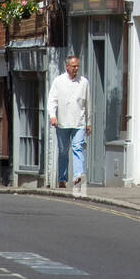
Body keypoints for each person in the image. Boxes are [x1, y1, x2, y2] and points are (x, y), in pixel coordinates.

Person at [47, 54, 91, 194]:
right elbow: (52, 101)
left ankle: (78, 176)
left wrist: (88, 123)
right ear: (67, 67)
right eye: (73, 66)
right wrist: (53, 116)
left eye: (77, 66)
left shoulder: (84, 82)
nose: (76, 68)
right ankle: (62, 178)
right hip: (62, 122)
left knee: (78, 147)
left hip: (79, 122)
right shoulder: (58, 81)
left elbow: (88, 104)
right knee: (63, 151)